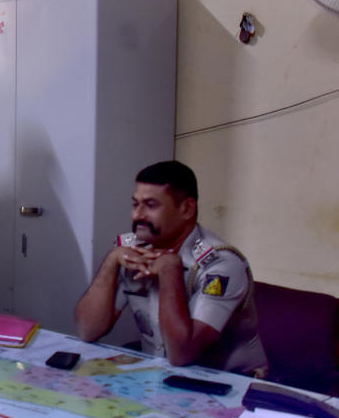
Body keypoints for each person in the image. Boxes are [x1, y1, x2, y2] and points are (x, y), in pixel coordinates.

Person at [74, 160, 268, 376]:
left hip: (228, 384)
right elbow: (88, 330)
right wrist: (110, 263)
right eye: (135, 204)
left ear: (186, 209)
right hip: (159, 377)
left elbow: (181, 354)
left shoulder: (220, 265)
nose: (137, 216)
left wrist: (169, 272)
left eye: (151, 205)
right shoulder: (131, 250)